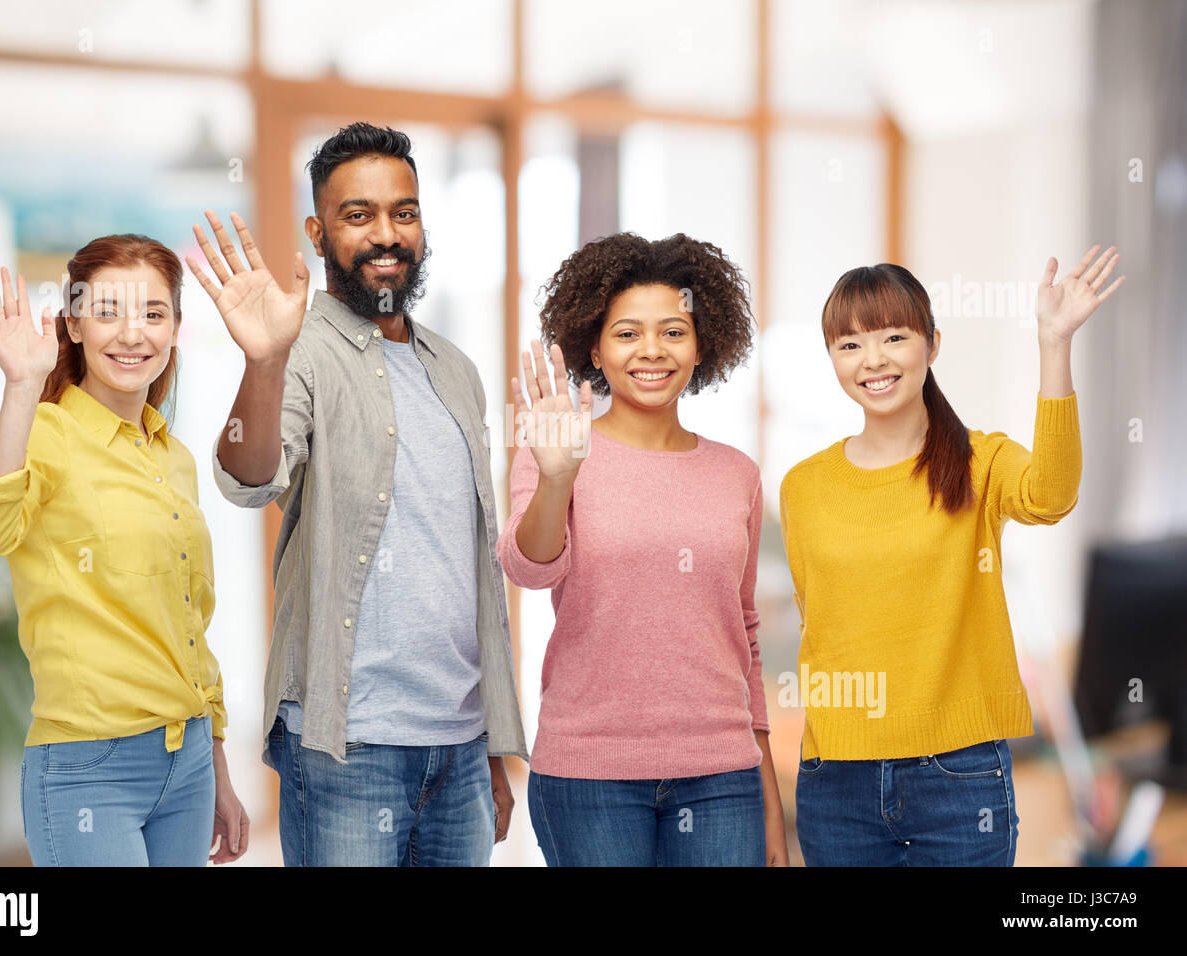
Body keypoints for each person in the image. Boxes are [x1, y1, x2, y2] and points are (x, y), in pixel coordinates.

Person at [191, 122, 527, 867]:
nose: (385, 234)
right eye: (358, 214)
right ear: (318, 233)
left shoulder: (457, 371)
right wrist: (264, 362)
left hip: (461, 747)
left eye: (403, 212)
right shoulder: (301, 352)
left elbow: (472, 566)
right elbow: (248, 478)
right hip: (349, 745)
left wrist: (494, 744)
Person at [781, 246, 1124, 866]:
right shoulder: (803, 487)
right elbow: (822, 623)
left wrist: (1054, 344)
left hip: (959, 777)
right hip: (836, 779)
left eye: (894, 336)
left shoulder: (979, 461)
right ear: (832, 357)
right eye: (850, 344)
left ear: (932, 345)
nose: (873, 359)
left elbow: (1052, 495)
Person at [0, 236, 249, 866]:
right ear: (73, 324)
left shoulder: (174, 457)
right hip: (89, 766)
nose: (132, 333)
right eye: (108, 311)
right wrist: (22, 387)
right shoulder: (45, 432)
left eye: (153, 313)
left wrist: (218, 768)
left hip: (189, 762)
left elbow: (190, 629)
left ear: (175, 329)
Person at [498, 232, 787, 866]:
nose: (651, 350)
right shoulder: (556, 452)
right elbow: (528, 569)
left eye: (673, 332)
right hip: (589, 776)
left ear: (701, 346)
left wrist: (768, 795)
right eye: (627, 333)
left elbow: (744, 633)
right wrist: (557, 477)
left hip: (721, 775)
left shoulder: (736, 473)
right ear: (594, 349)